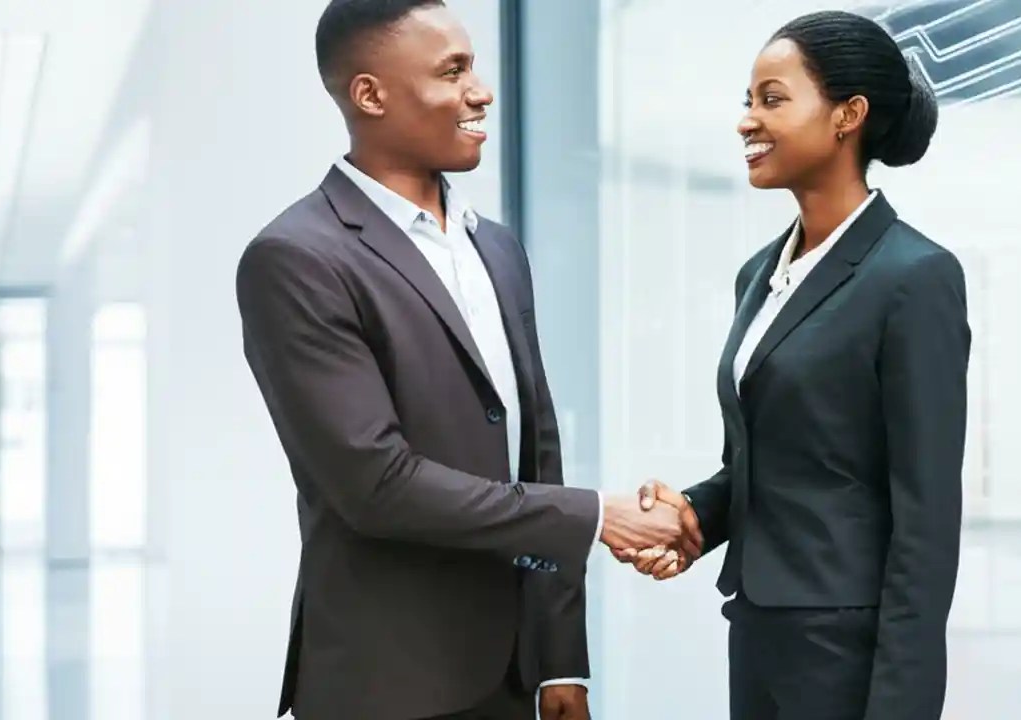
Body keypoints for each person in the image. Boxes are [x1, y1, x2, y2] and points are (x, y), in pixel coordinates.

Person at [235, 1, 685, 718]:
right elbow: (377, 484)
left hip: (509, 676)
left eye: (474, 66)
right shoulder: (296, 258)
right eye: (453, 72)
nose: (482, 91)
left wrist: (560, 661)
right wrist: (600, 516)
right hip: (387, 682)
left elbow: (536, 451)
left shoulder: (495, 246)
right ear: (370, 94)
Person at [619, 10, 970, 720]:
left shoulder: (915, 276)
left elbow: (927, 524)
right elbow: (771, 461)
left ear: (848, 115)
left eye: (772, 99)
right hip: (757, 637)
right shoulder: (759, 274)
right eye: (748, 100)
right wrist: (694, 515)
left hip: (848, 652)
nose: (747, 120)